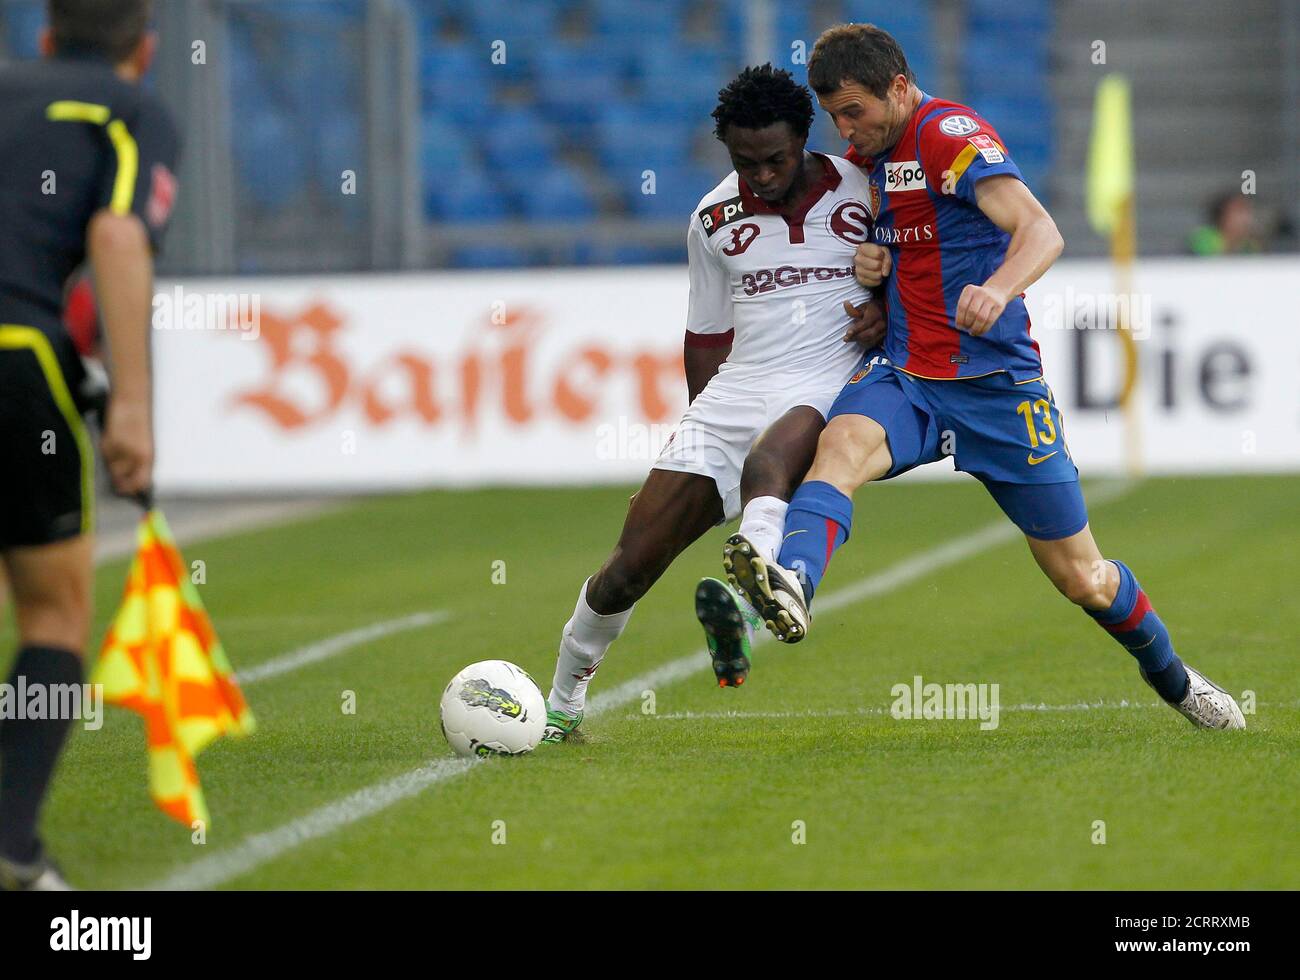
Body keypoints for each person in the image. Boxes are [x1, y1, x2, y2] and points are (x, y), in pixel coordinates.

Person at [724, 24, 1244, 731]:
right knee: (840, 447)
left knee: (1083, 579)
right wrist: (875, 269)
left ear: (900, 88)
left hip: (996, 385)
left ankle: (1176, 679)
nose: (847, 130)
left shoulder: (950, 135)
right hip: (908, 376)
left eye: (855, 111)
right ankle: (794, 584)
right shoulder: (871, 155)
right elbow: (900, 237)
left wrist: (997, 289)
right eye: (837, 117)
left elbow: (1040, 230)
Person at [541, 65, 885, 742]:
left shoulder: (863, 190)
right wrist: (701, 436)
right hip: (736, 389)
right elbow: (704, 336)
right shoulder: (713, 217)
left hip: (823, 381)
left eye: (775, 160)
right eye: (744, 162)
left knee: (769, 462)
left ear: (805, 139)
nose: (760, 175)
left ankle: (744, 605)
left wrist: (884, 314)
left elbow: (917, 273)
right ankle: (561, 704)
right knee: (629, 566)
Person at [0, 0, 181, 890]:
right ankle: (8, 843)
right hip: (13, 352)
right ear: (142, 51)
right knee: (51, 617)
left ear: (42, 37)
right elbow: (116, 233)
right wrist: (132, 409)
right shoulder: (128, 107)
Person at [1187, 191, 1261, 256]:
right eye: (1239, 211)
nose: (1245, 217)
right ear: (1222, 214)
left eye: (1247, 211)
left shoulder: (1249, 245)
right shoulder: (1204, 238)